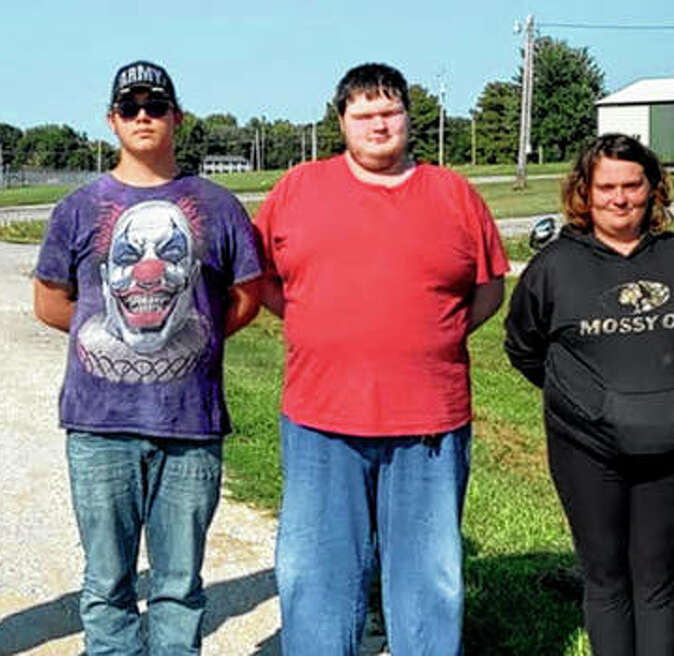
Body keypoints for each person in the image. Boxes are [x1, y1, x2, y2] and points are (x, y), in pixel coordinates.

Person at [254, 62, 509, 655]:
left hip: (428, 420)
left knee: (429, 580)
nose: (378, 123)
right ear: (340, 119)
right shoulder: (298, 188)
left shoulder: (454, 194)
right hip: (320, 416)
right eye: (363, 112)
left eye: (389, 111)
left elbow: (489, 289)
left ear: (408, 118)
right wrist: (322, 329)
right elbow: (264, 280)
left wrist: (431, 336)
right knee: (315, 575)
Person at [33, 60, 261, 654]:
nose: (142, 117)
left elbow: (245, 299)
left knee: (179, 586)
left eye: (155, 107)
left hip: (191, 427)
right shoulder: (77, 209)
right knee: (106, 585)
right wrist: (113, 338)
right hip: (98, 427)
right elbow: (51, 302)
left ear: (176, 118)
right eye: (130, 107)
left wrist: (185, 337)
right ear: (111, 120)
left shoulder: (219, 206)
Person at [505, 133, 674, 656]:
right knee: (606, 580)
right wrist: (589, 404)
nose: (620, 198)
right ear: (584, 192)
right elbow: (524, 347)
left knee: (658, 583)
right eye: (607, 186)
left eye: (633, 185)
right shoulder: (555, 267)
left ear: (654, 189)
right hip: (587, 451)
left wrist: (668, 398)